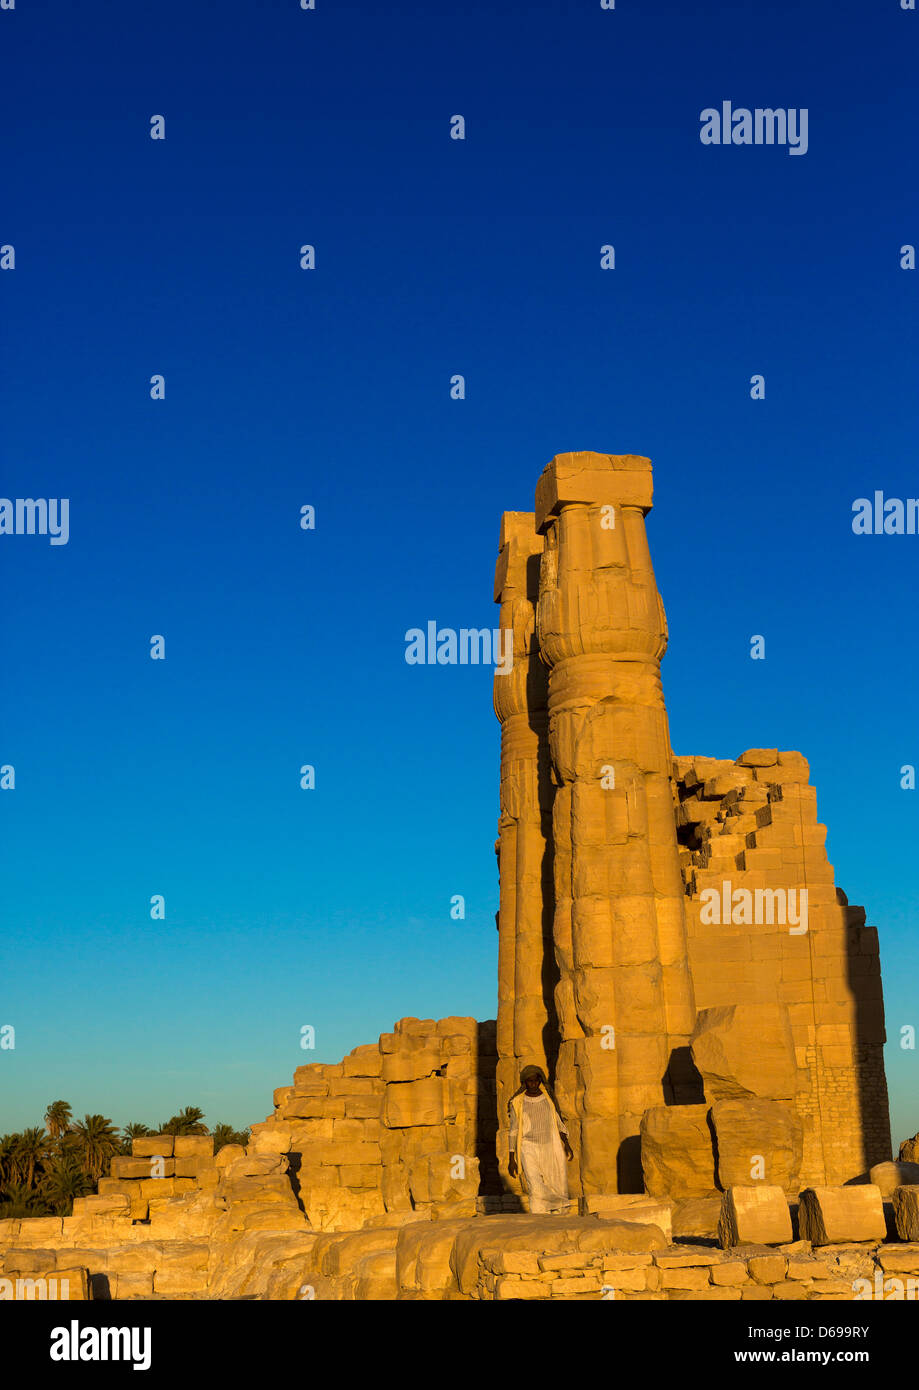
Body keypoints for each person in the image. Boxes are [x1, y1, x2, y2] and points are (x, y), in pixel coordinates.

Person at [507, 1064, 573, 1214]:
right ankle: (539, 1215)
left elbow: (557, 1122)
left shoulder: (548, 1099)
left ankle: (557, 1212)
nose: (533, 1084)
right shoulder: (517, 1102)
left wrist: (567, 1144)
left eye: (536, 1081)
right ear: (525, 1083)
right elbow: (513, 1130)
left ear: (540, 1081)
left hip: (549, 1145)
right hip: (527, 1147)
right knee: (534, 1184)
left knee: (555, 1182)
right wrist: (511, 1158)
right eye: (530, 1081)